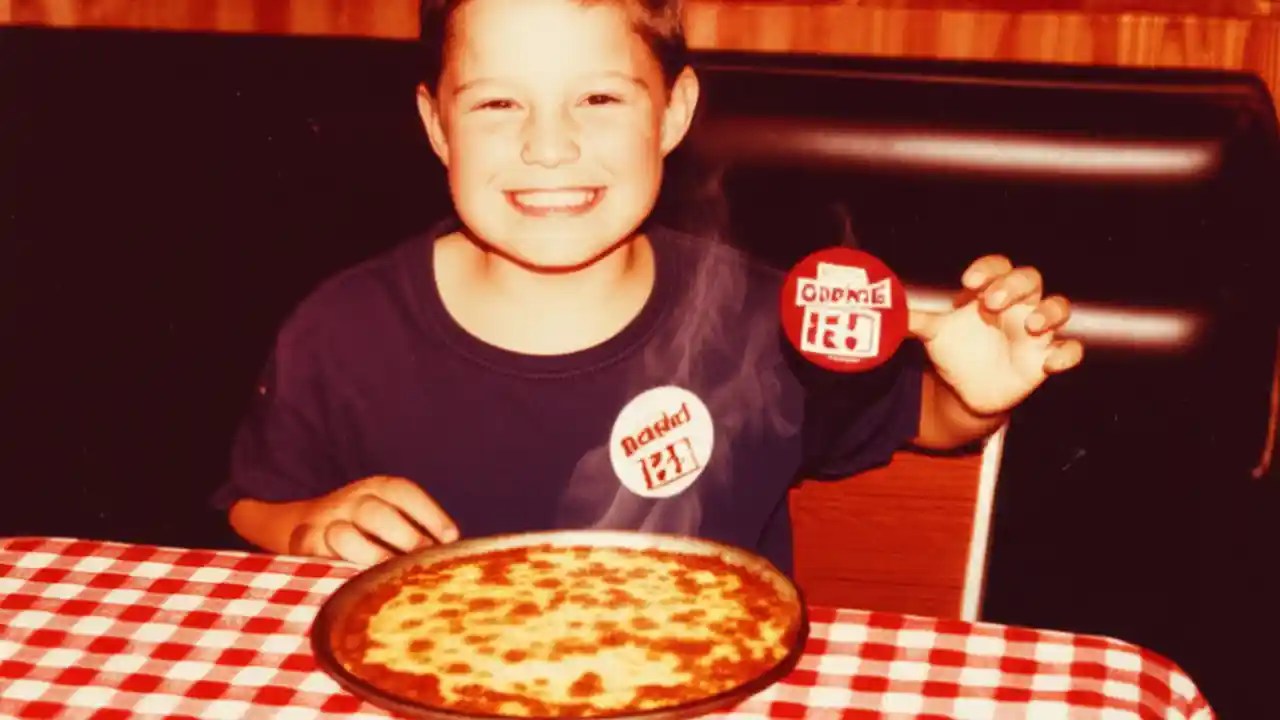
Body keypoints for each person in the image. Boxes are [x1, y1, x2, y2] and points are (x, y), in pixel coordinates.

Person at [212, 0, 1083, 574]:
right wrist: (305, 527)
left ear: (673, 112)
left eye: (597, 99)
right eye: (496, 105)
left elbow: (923, 419)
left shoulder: (764, 319)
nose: (547, 147)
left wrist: (976, 398)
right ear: (436, 125)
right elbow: (257, 501)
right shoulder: (343, 330)